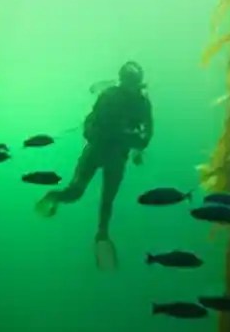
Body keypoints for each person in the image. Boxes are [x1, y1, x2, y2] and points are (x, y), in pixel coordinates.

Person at [35, 61, 153, 270]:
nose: (128, 85)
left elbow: (144, 134)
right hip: (104, 153)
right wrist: (133, 143)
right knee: (83, 193)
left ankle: (101, 231)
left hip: (106, 153)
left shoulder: (128, 100)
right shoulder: (119, 98)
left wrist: (134, 143)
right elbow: (142, 134)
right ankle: (93, 225)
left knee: (94, 197)